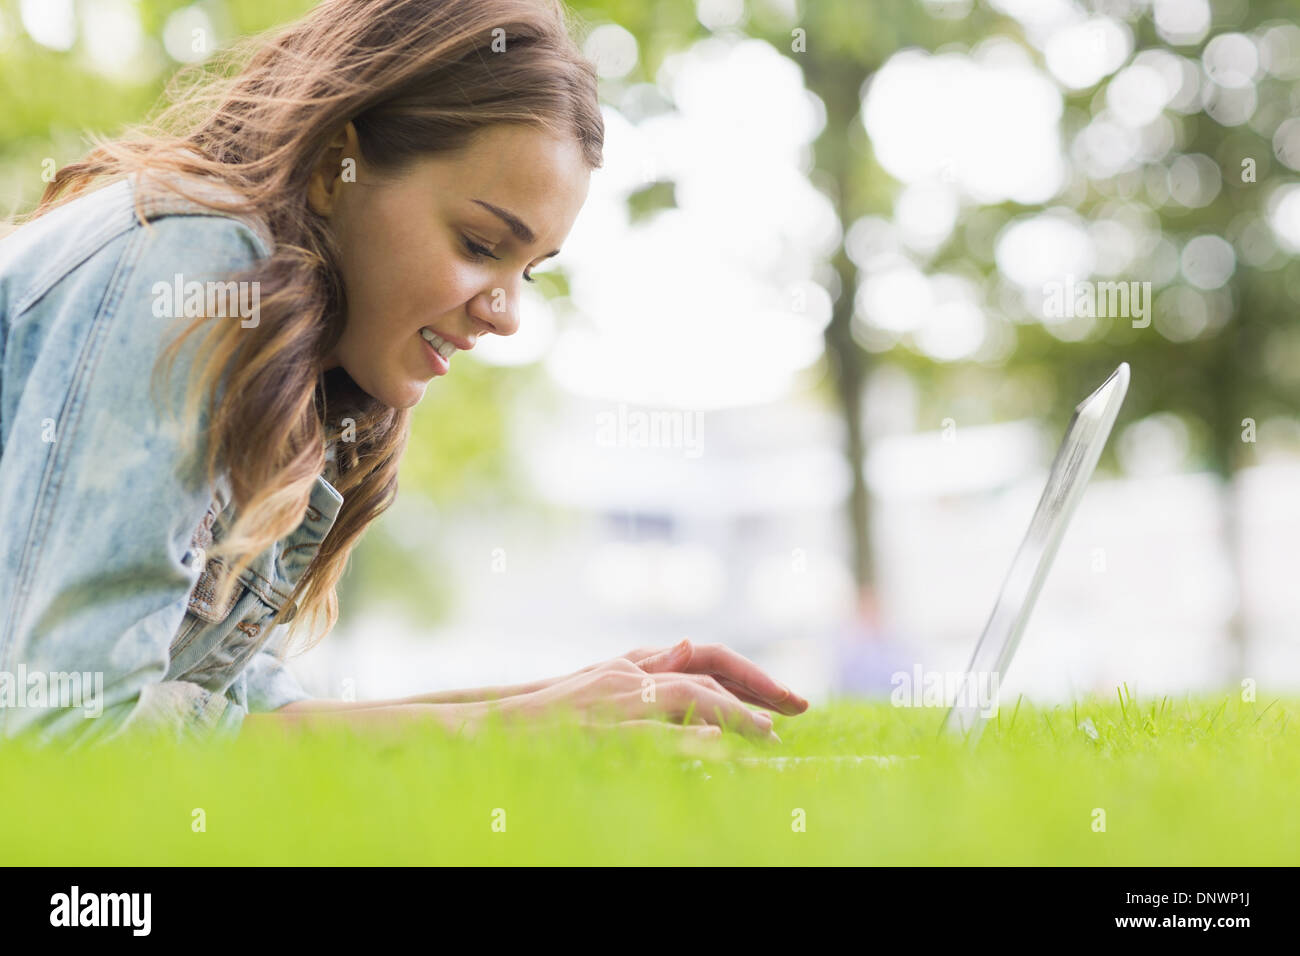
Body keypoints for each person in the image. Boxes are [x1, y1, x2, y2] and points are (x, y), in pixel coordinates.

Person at [0, 0, 807, 749]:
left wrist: (581, 700)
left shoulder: (299, 365)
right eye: (481, 245)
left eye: (529, 269)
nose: (506, 315)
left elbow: (235, 709)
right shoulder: (199, 266)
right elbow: (62, 728)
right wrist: (513, 726)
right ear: (330, 168)